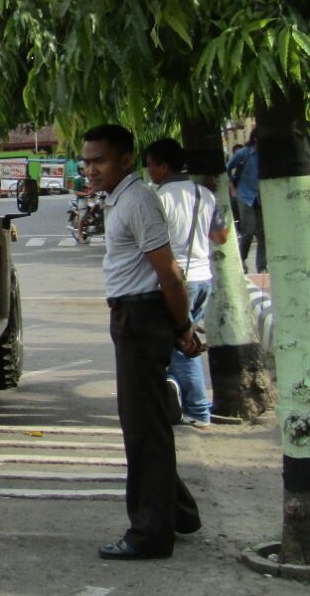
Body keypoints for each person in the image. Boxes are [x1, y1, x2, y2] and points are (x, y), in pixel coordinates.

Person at [81, 124, 202, 560]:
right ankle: (181, 512)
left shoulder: (138, 201)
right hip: (132, 316)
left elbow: (168, 273)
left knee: (143, 430)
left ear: (127, 159)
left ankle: (150, 534)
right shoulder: (119, 200)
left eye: (100, 160)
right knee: (145, 422)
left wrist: (183, 326)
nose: (90, 169)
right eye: (87, 161)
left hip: (142, 317)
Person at [144, 139, 229, 429]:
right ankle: (181, 404)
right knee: (182, 342)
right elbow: (221, 236)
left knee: (184, 346)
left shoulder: (159, 198)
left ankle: (199, 410)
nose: (149, 170)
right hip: (203, 277)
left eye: (151, 164)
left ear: (164, 166)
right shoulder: (205, 194)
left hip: (176, 281)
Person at [226, 129, 265, 273]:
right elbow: (227, 168)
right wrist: (232, 188)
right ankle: (241, 259)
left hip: (260, 198)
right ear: (255, 139)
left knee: (262, 233)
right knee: (248, 232)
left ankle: (262, 267)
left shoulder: (264, 156)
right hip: (245, 196)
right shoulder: (245, 153)